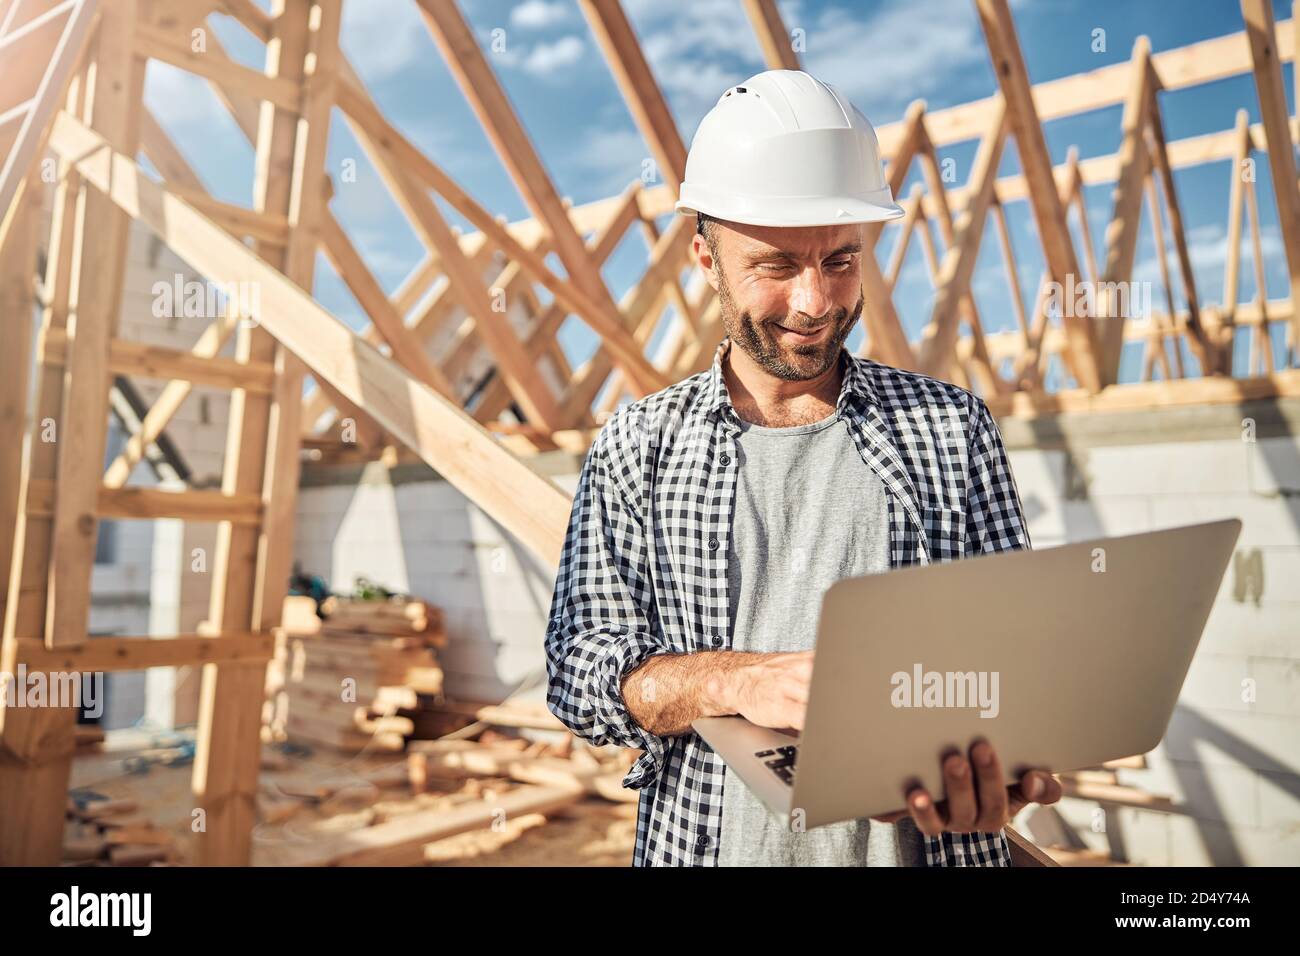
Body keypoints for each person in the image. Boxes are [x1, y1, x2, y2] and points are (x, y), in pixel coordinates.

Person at [545, 70, 1062, 866]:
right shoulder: (638, 444)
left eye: (841, 260)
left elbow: (1014, 652)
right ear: (706, 258)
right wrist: (730, 682)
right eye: (777, 266)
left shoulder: (948, 427)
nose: (817, 301)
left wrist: (1000, 759)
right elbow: (580, 674)